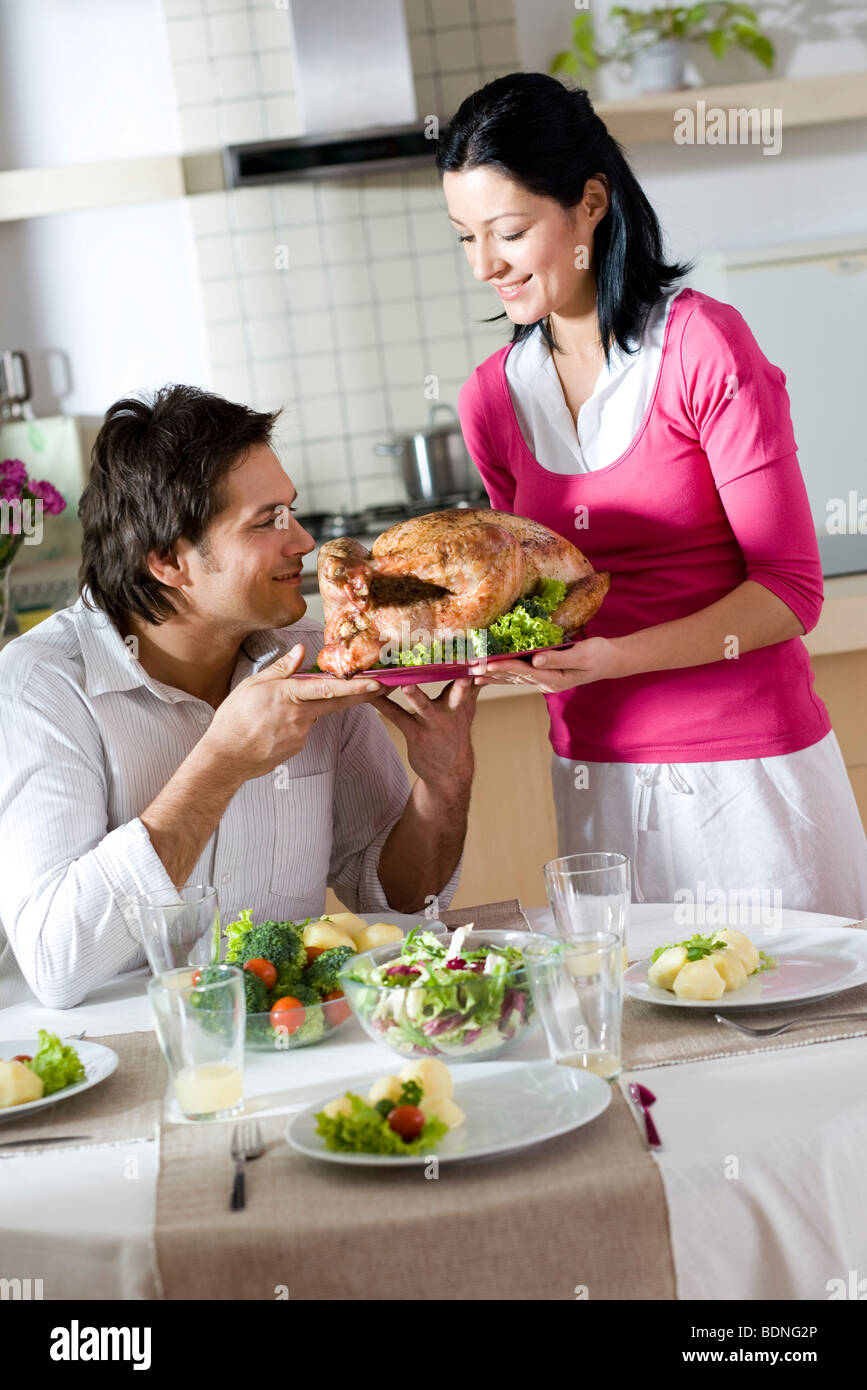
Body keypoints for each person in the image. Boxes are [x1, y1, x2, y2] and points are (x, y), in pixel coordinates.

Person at [438, 72, 867, 918]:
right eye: (463, 239)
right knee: (634, 1035)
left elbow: (789, 591)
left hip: (748, 778)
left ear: (589, 204)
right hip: (594, 776)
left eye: (509, 232)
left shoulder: (703, 346)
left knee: (787, 1037)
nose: (485, 265)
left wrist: (616, 659)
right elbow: (536, 592)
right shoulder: (489, 398)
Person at [0, 386, 478, 1008]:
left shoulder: (310, 655)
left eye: (292, 512)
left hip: (292, 1029)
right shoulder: (41, 685)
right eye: (267, 522)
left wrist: (444, 783)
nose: (304, 541)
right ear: (169, 560)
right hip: (132, 1055)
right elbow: (56, 962)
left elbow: (396, 899)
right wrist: (220, 763)